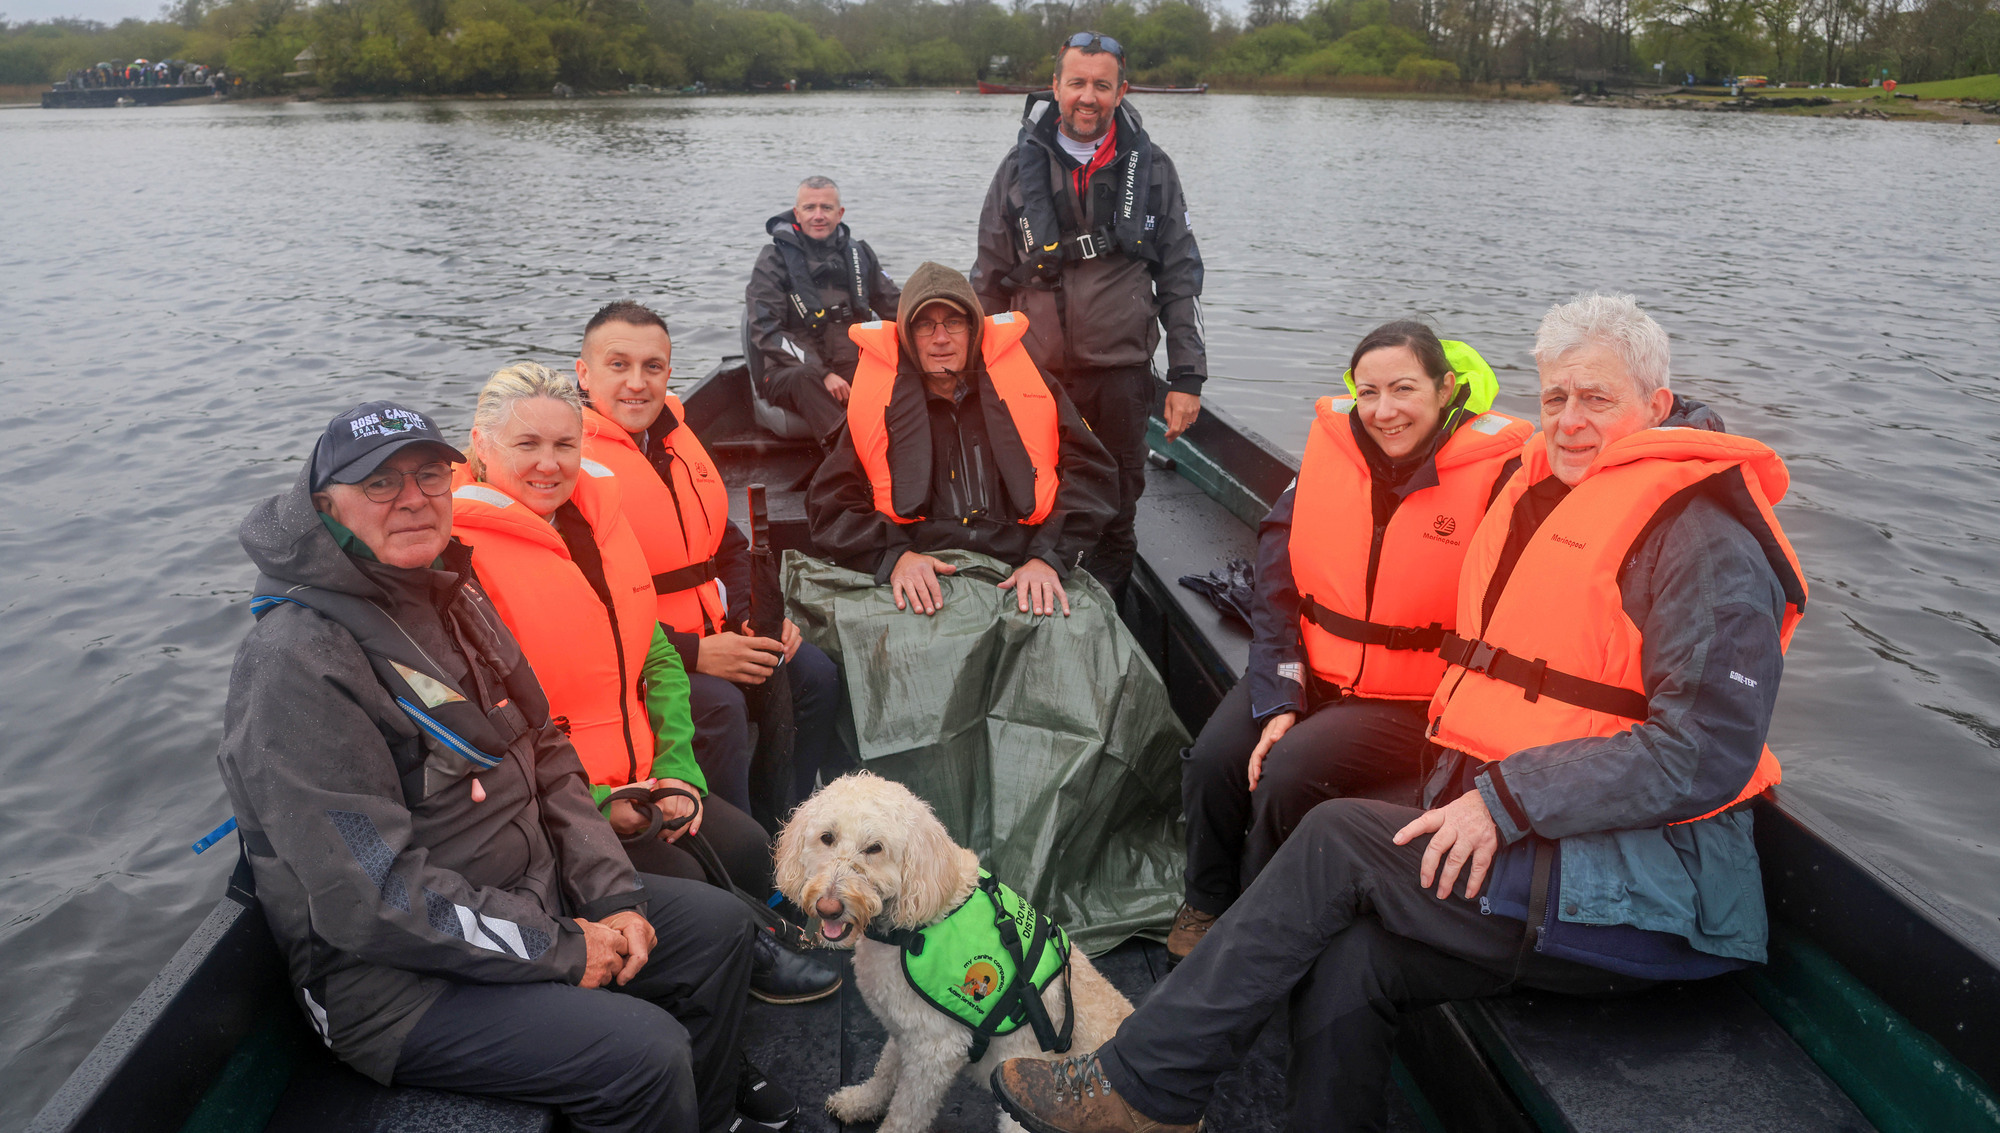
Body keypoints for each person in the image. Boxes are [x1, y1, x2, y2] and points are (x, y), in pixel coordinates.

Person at [989, 292, 1810, 1133]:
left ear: (1658, 406)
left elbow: (1705, 749)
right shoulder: (1554, 492)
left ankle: (1142, 1086)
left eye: (1596, 399)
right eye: (1555, 397)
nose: (1568, 420)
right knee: (1354, 958)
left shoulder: (1704, 538)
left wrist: (1505, 799)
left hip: (1652, 894)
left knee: (1340, 836)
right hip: (1553, 848)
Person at [217, 400, 770, 1133]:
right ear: (327, 507)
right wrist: (564, 946)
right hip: (396, 985)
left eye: (428, 475)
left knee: (718, 929)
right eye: (381, 483)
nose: (413, 498)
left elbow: (545, 748)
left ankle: (702, 1118)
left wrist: (608, 895)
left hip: (522, 894)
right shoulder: (296, 663)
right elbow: (373, 895)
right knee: (645, 1054)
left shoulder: (452, 589)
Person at [452, 363, 838, 1009]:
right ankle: (731, 966)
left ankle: (756, 927)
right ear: (481, 446)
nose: (549, 464)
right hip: (559, 805)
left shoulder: (596, 524)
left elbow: (656, 658)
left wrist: (678, 771)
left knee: (745, 844)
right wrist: (603, 803)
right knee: (687, 882)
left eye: (564, 445)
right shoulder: (460, 561)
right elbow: (488, 729)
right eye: (527, 445)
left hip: (646, 777)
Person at [1169, 323, 1533, 966]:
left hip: (1415, 702)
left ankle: (1260, 931)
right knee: (1214, 759)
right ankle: (1205, 902)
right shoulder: (1330, 455)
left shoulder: (1503, 476)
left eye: (1404, 389)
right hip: (1313, 669)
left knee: (1287, 772)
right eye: (1368, 392)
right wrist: (1281, 693)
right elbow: (1276, 586)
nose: (1384, 411)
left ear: (1446, 388)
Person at [574, 301, 849, 819]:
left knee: (813, 673)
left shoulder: (676, 442)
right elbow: (581, 609)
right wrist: (694, 654)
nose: (637, 382)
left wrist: (754, 618)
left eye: (652, 367)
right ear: (584, 375)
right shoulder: (567, 468)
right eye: (618, 365)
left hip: (716, 629)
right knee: (717, 705)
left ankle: (788, 826)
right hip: (639, 659)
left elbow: (725, 544)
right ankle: (738, 849)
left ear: (669, 374)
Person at [970, 31, 1206, 598]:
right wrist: (975, 376)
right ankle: (1033, 611)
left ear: (1121, 91)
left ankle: (1106, 623)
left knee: (1117, 506)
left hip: (1120, 374)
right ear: (1055, 87)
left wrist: (1187, 378)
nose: (1088, 96)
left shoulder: (1154, 170)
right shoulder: (1014, 170)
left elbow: (1181, 276)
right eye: (1076, 83)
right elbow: (987, 278)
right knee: (1027, 496)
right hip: (1034, 373)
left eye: (1102, 85)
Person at [806, 261, 1119, 617]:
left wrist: (1049, 558)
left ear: (974, 329)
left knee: (1083, 639)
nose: (941, 338)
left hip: (1022, 564)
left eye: (954, 322)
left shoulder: (1034, 388)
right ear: (907, 337)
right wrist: (894, 557)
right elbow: (829, 505)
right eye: (925, 325)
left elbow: (1094, 476)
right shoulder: (877, 404)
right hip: (918, 568)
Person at [745, 175, 902, 446]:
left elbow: (896, 307)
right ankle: (850, 465)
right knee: (806, 378)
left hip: (852, 362)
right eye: (810, 208)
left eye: (826, 208)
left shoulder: (860, 254)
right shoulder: (772, 260)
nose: (818, 215)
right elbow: (766, 330)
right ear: (797, 213)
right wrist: (822, 373)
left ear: (840, 213)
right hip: (790, 372)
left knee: (902, 372)